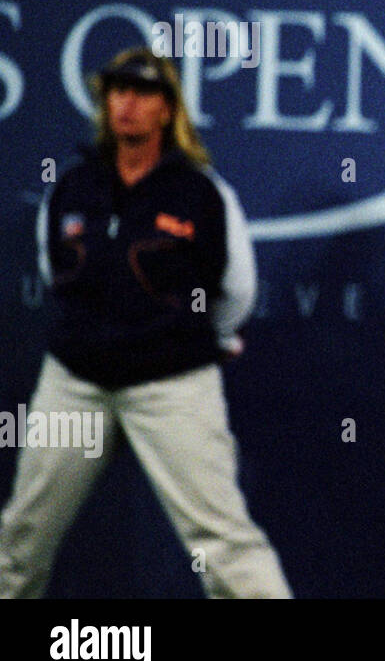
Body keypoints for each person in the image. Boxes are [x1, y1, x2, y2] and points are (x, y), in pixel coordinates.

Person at [0, 47, 291, 599]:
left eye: (142, 92)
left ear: (167, 109)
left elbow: (236, 290)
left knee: (222, 540)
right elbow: (53, 269)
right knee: (20, 537)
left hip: (171, 385)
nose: (127, 103)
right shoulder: (72, 188)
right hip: (75, 385)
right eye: (116, 90)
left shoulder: (203, 194)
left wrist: (209, 337)